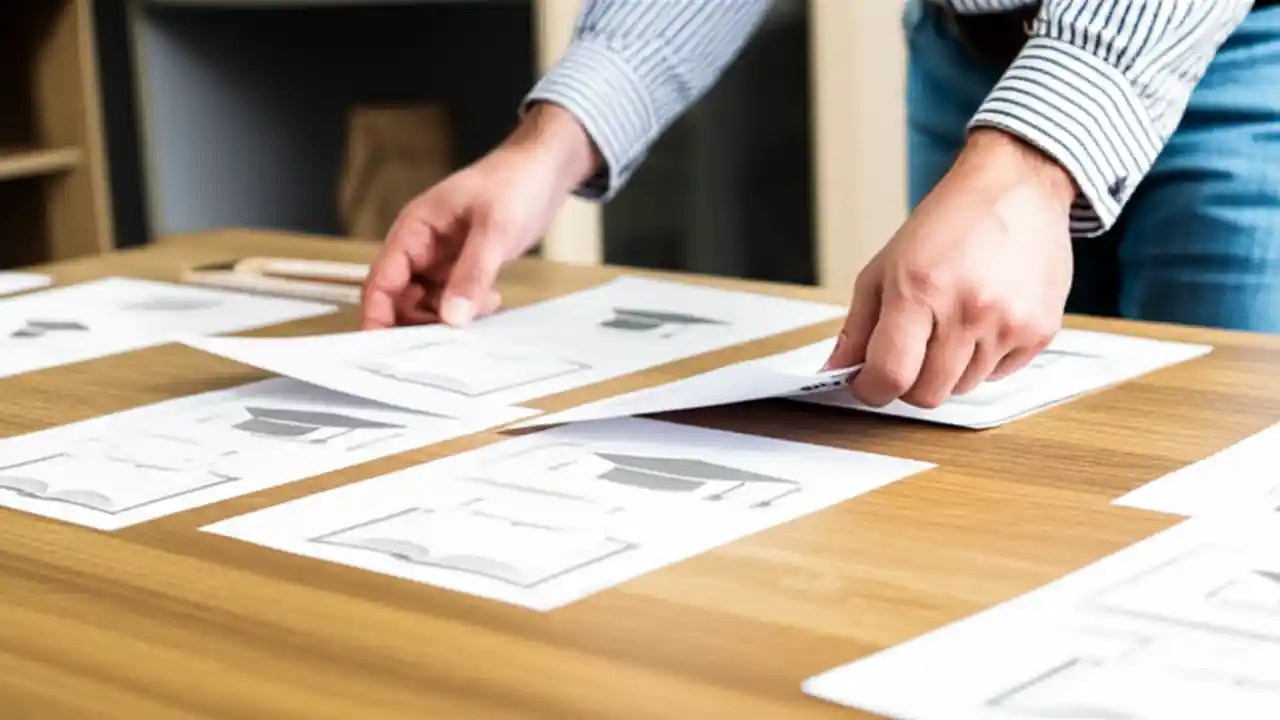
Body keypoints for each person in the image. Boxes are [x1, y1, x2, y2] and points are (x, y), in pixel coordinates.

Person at [362, 0, 1280, 409]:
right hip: (963, 53)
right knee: (962, 435)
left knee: (1223, 461)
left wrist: (1035, 156)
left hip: (1235, 44)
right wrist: (552, 142)